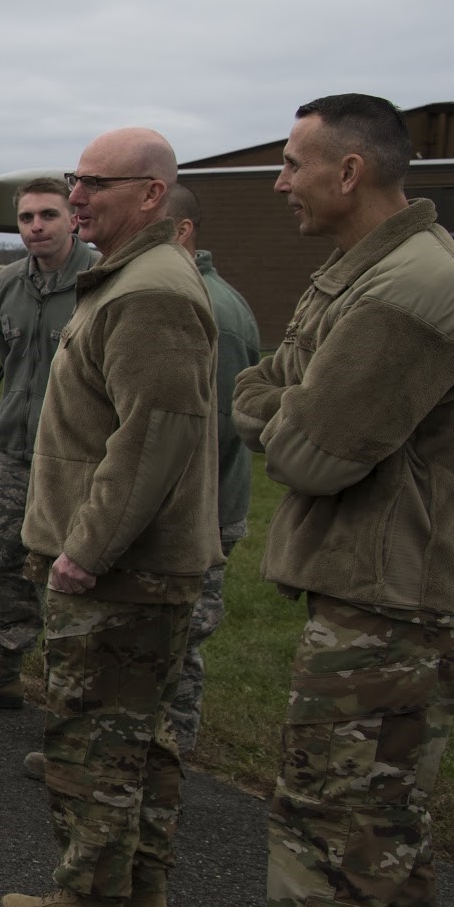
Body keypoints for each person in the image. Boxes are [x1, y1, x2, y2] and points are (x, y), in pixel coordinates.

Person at [164, 94, 454, 907]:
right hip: (388, 589)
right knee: (386, 809)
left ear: (350, 172)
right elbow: (272, 379)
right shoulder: (368, 270)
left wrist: (273, 410)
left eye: (294, 164)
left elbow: (309, 453)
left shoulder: (407, 291)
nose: (279, 181)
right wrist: (276, 400)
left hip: (389, 601)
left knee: (330, 819)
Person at [0, 128, 220, 907]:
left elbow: (154, 436)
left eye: (96, 183)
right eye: (75, 180)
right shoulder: (134, 278)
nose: (77, 196)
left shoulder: (150, 290)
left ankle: (89, 902)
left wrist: (86, 550)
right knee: (141, 737)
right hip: (139, 563)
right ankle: (142, 895)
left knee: (92, 734)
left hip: (122, 568)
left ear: (152, 194)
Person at [0, 180, 96, 709]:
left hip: (75, 459)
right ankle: (4, 675)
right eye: (27, 217)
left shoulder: (100, 282)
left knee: (72, 575)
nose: (36, 226)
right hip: (14, 453)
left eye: (48, 214)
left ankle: (68, 703)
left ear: (74, 219)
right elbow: (10, 360)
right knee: (7, 562)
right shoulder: (7, 284)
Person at [160, 182, 261, 760]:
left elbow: (216, 428)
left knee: (179, 640)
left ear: (182, 232)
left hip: (200, 512)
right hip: (176, 506)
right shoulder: (176, 294)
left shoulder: (208, 308)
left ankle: (166, 760)